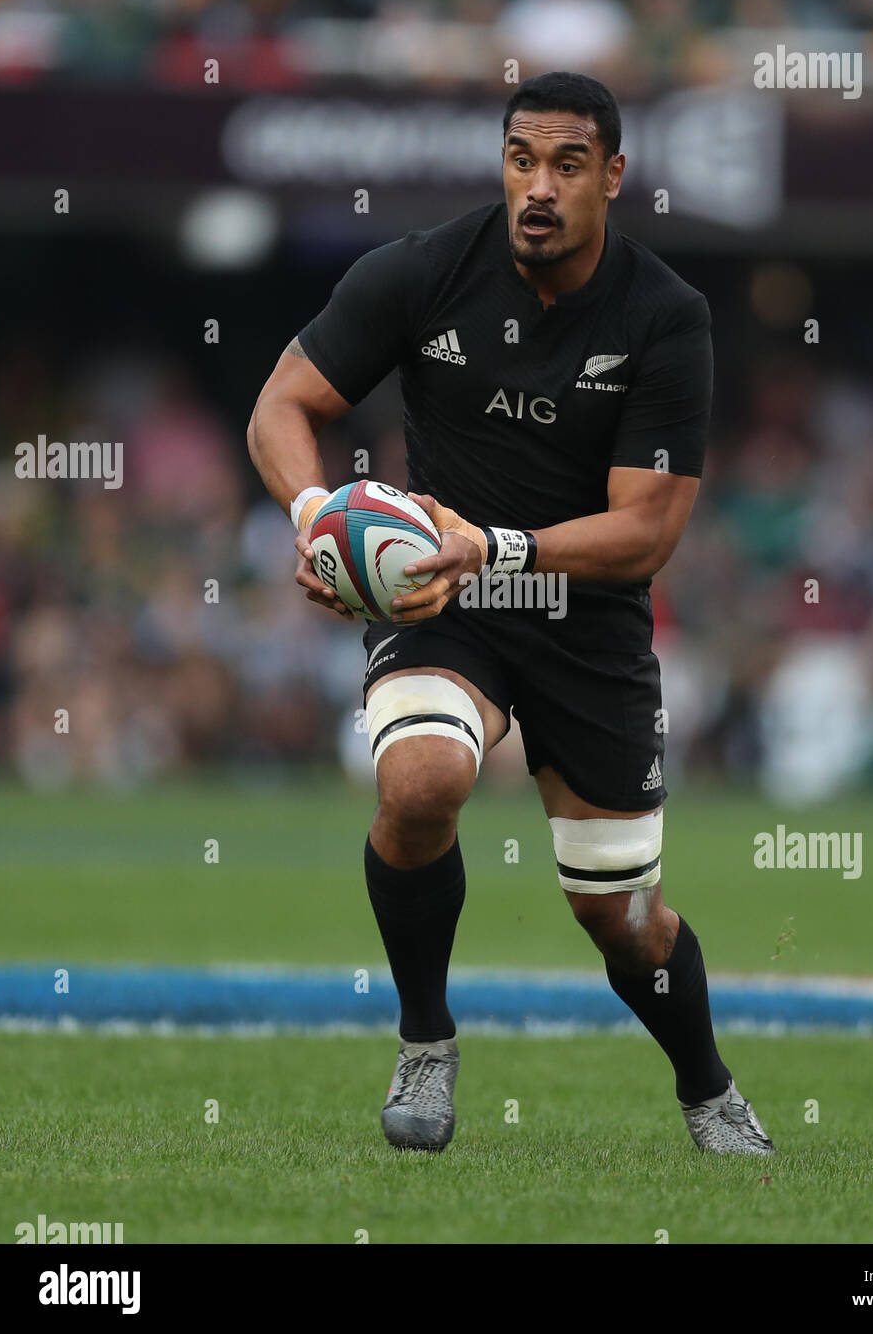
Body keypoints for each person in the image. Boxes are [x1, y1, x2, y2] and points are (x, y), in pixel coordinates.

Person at [247, 71, 774, 1156]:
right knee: (422, 778)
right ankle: (427, 1041)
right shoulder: (421, 269)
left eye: (567, 165)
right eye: (521, 160)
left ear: (612, 177)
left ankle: (707, 1088)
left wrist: (502, 544)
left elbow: (646, 532)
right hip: (447, 601)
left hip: (589, 621)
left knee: (621, 919)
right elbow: (283, 403)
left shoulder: (666, 315)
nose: (538, 187)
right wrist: (315, 516)